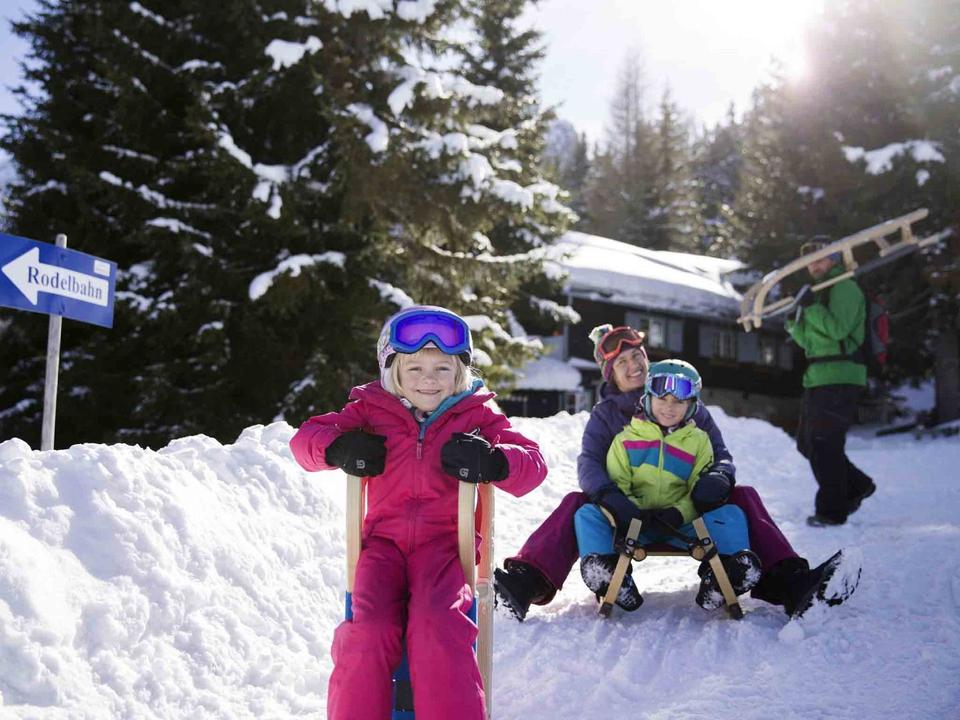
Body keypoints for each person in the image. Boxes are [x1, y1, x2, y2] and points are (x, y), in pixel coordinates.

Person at [494, 324, 859, 622]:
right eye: (622, 363)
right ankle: (526, 583)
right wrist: (610, 497)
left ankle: (791, 583)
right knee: (578, 504)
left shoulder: (685, 402)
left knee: (742, 496)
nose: (633, 366)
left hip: (686, 513)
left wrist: (719, 477)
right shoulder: (606, 416)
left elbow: (719, 455)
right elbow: (589, 462)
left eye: (637, 356)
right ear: (611, 375)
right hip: (626, 515)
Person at [290, 305, 547, 720]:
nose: (429, 379)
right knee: (368, 630)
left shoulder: (476, 413)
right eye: (415, 368)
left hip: (446, 551)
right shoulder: (371, 409)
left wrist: (495, 460)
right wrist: (337, 447)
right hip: (383, 550)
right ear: (393, 370)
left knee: (438, 624)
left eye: (442, 368)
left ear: (459, 371)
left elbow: (533, 464)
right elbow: (304, 440)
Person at [574, 359, 760, 611]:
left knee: (731, 514)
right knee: (587, 514)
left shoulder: (699, 442)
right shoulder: (625, 440)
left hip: (683, 525)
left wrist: (679, 513)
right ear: (648, 399)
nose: (669, 408)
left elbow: (698, 487)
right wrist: (630, 511)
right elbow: (619, 484)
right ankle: (609, 574)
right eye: (662, 399)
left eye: (679, 402)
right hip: (634, 525)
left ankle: (725, 575)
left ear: (691, 405)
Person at [788, 237, 877, 527]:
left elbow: (838, 330)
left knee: (824, 443)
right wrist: (792, 321)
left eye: (821, 259)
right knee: (807, 444)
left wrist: (811, 308)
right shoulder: (818, 292)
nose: (814, 265)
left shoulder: (844, 287)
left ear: (835, 260)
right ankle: (858, 485)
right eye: (810, 261)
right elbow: (809, 342)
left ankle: (832, 512)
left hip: (841, 375)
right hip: (818, 376)